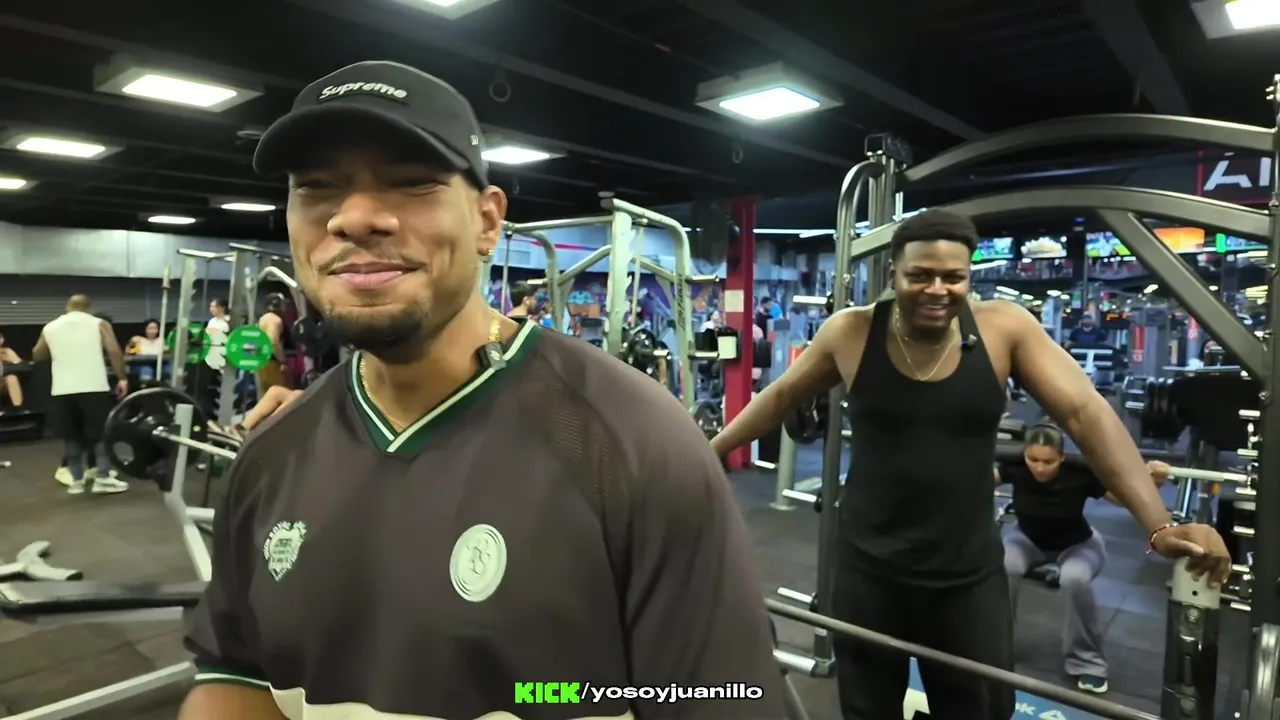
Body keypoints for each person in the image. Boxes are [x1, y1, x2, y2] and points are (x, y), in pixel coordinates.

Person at [179, 60, 783, 720]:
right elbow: (236, 676)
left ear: (488, 221)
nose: (354, 217)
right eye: (318, 188)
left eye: (412, 183)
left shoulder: (636, 448)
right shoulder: (271, 454)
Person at [709, 209, 1230, 720]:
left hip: (966, 574)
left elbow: (1083, 412)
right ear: (893, 273)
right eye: (920, 275)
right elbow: (780, 397)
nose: (937, 289)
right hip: (868, 569)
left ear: (968, 277)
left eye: (953, 277)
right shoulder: (850, 332)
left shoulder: (1005, 328)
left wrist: (1159, 524)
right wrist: (706, 454)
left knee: (978, 709)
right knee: (868, 709)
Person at [995, 424, 1170, 695]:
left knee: (1074, 579)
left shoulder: (1079, 474)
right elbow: (976, 480)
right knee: (1004, 566)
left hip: (1078, 546)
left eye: (1048, 461)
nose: (1039, 468)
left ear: (1062, 457)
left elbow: (1125, 499)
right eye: (1033, 459)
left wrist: (1154, 480)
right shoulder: (1014, 467)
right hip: (1027, 541)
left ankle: (1088, 663)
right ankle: (995, 646)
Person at [34, 295, 130, 495]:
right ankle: (102, 478)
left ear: (67, 307)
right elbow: (114, 350)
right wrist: (122, 378)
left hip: (62, 390)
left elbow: (37, 354)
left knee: (72, 437)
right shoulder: (99, 323)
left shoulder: (50, 327)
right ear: (88, 308)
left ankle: (77, 481)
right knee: (100, 435)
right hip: (93, 387)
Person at [256, 293, 291, 394]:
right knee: (278, 392)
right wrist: (282, 360)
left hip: (262, 360)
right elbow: (273, 341)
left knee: (267, 394)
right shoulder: (275, 320)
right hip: (272, 362)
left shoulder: (263, 318)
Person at [0, 332, 24, 409]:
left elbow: (20, 365)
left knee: (11, 378)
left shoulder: (7, 352)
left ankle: (18, 409)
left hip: (3, 381)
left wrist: (10, 359)